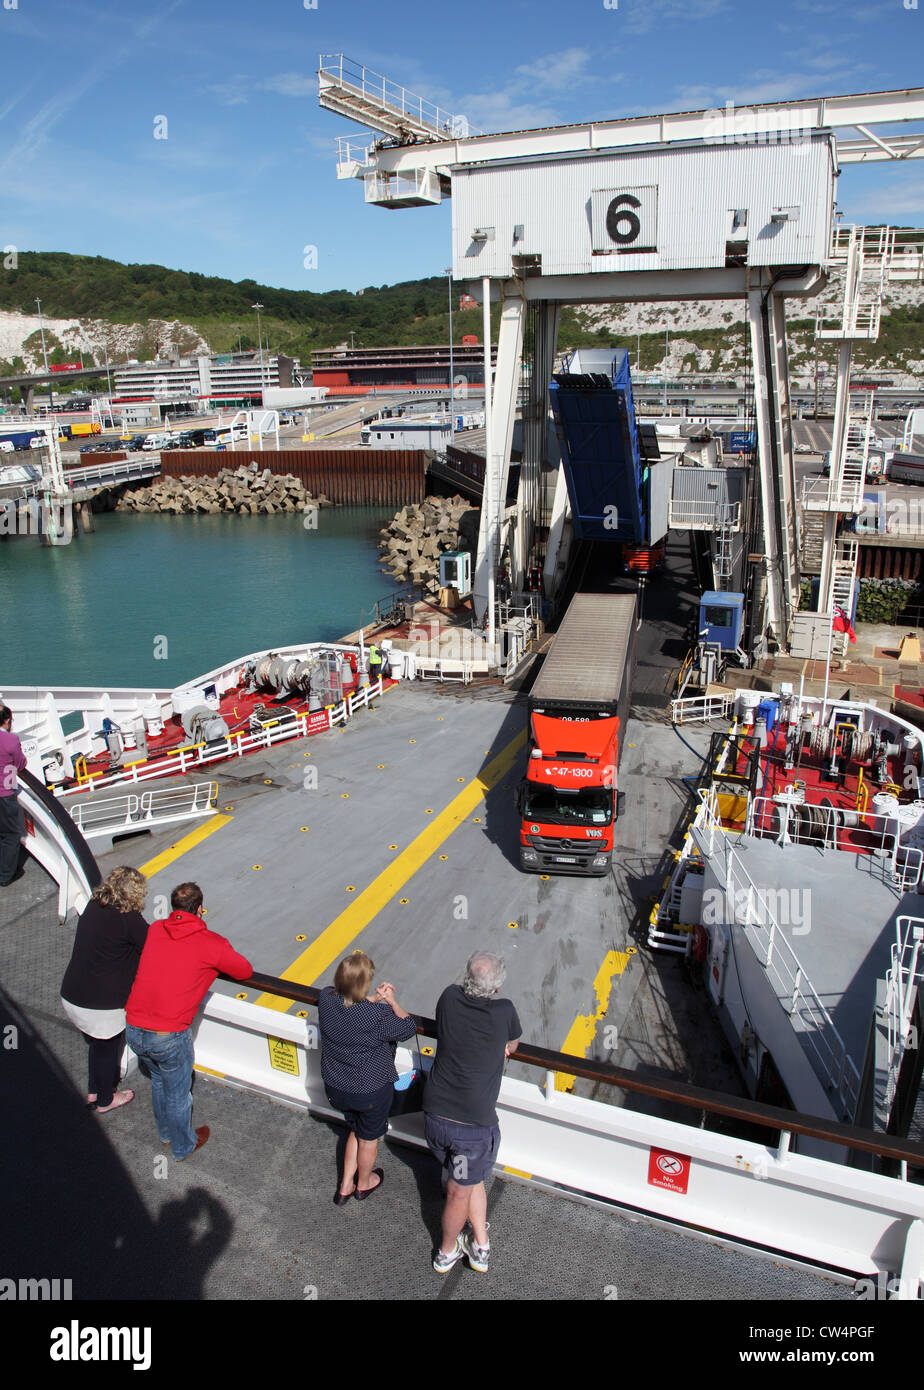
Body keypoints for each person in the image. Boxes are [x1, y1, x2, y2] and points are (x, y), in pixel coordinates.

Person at [125, 882, 252, 1160]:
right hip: (168, 1034)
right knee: (178, 1093)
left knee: (158, 1081)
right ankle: (183, 1146)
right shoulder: (212, 944)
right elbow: (244, 970)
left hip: (133, 1027)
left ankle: (166, 1134)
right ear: (199, 909)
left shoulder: (156, 930)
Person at [424, 952, 521, 1275]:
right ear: (495, 989)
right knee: (457, 1191)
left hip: (436, 1118)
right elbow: (513, 1045)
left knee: (468, 1181)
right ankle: (447, 1251)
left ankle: (481, 1240)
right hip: (470, 1130)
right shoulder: (504, 1010)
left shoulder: (449, 997)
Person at [318, 950, 417, 1204]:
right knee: (369, 1137)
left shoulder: (325, 999)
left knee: (355, 1129)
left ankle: (344, 1186)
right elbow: (408, 1027)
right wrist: (391, 1001)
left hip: (336, 1086)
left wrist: (371, 999)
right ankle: (364, 1183)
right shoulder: (377, 1017)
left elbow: (349, 1008)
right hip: (370, 1090)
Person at [61, 866, 150, 1113]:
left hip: (72, 993)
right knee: (106, 1050)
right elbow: (151, 946)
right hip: (101, 1006)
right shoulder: (129, 919)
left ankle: (94, 1090)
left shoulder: (93, 905)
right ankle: (104, 1099)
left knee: (97, 1045)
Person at [0, 704, 26, 886]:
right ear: (7, 720)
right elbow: (20, 764)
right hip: (4, 793)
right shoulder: (11, 740)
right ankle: (5, 875)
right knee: (10, 834)